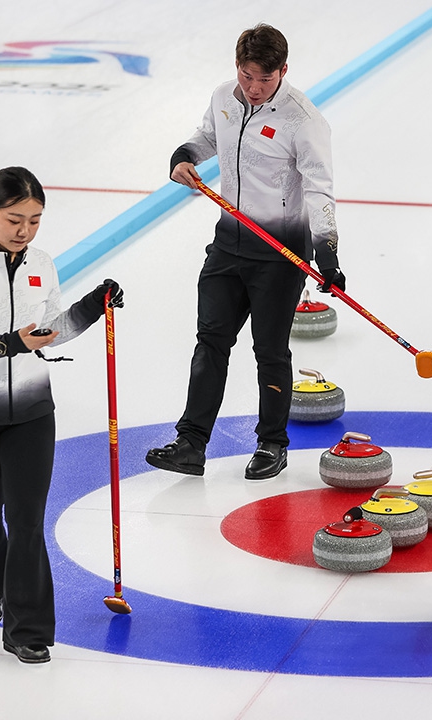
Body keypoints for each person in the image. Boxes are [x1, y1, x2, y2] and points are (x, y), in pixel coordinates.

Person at [0, 166, 123, 664]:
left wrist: (91, 307)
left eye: (35, 221)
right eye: (15, 219)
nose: (25, 231)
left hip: (32, 411)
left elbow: (51, 331)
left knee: (26, 520)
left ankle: (28, 630)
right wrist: (6, 344)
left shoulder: (41, 263)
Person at [146, 23, 343, 481]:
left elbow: (319, 188)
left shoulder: (304, 121)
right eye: (247, 76)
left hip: (279, 254)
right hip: (228, 244)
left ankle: (272, 443)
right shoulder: (224, 97)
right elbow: (207, 136)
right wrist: (184, 155)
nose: (254, 88)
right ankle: (191, 444)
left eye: (265, 79)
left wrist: (327, 251)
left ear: (283, 71)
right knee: (210, 341)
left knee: (269, 351)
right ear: (237, 66)